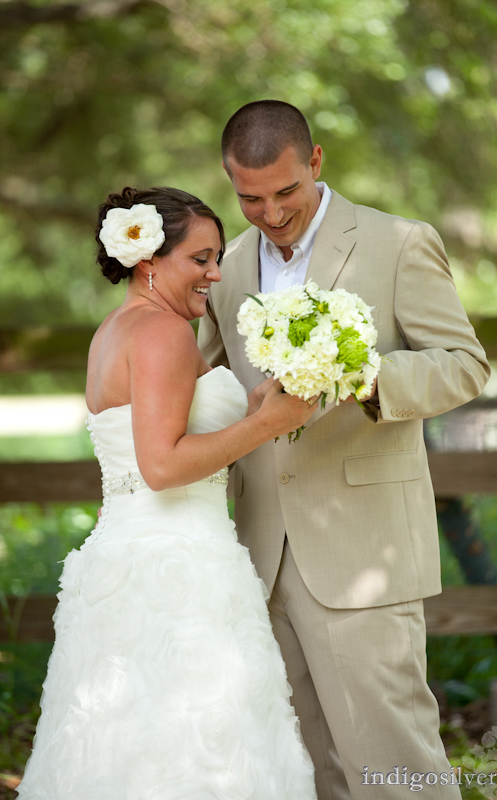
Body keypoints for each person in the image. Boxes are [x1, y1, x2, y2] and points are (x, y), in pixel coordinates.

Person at [198, 100, 491, 799]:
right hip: (259, 554)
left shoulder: (397, 241)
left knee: (394, 767)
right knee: (306, 769)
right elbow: (199, 380)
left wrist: (363, 374)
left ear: (316, 161)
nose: (270, 214)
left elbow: (463, 364)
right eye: (249, 198)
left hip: (364, 552)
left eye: (285, 192)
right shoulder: (229, 265)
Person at [17, 186, 319, 799]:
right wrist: (265, 425)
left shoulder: (117, 331)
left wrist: (258, 400)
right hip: (180, 567)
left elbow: (164, 432)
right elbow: (160, 464)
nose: (215, 272)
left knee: (128, 746)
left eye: (216, 258)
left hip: (129, 556)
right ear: (150, 259)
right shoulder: (162, 334)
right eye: (200, 259)